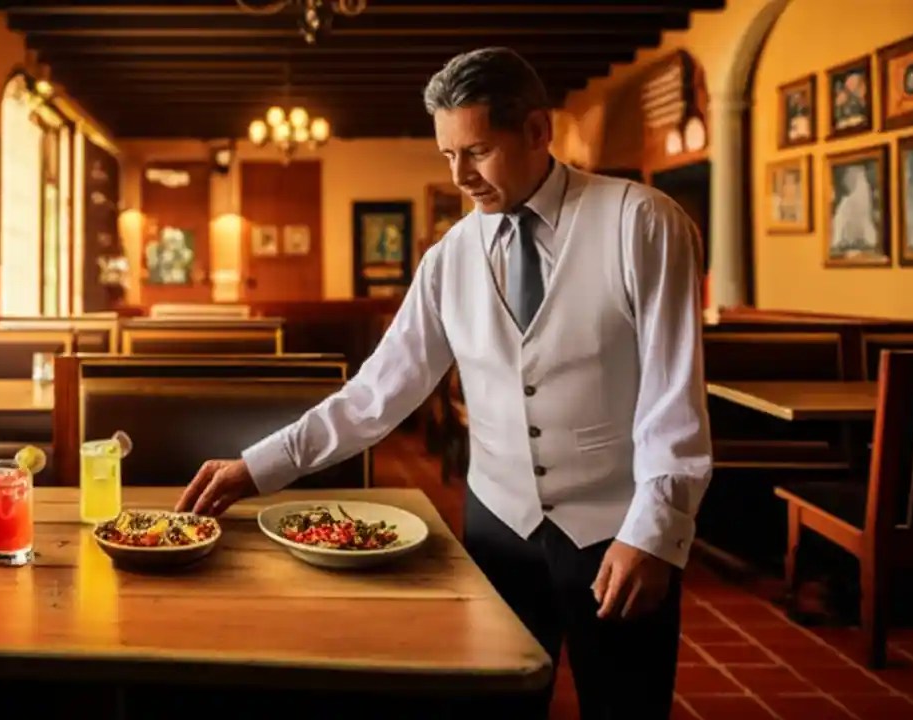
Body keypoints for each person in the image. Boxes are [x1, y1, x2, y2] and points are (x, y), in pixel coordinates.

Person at [175, 46, 712, 719]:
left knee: (626, 708)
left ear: (538, 131)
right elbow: (375, 397)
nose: (461, 176)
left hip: (618, 531)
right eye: (447, 155)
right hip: (496, 530)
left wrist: (655, 532)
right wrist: (257, 467)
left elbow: (674, 401)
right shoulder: (447, 259)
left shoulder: (642, 223)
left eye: (478, 151)